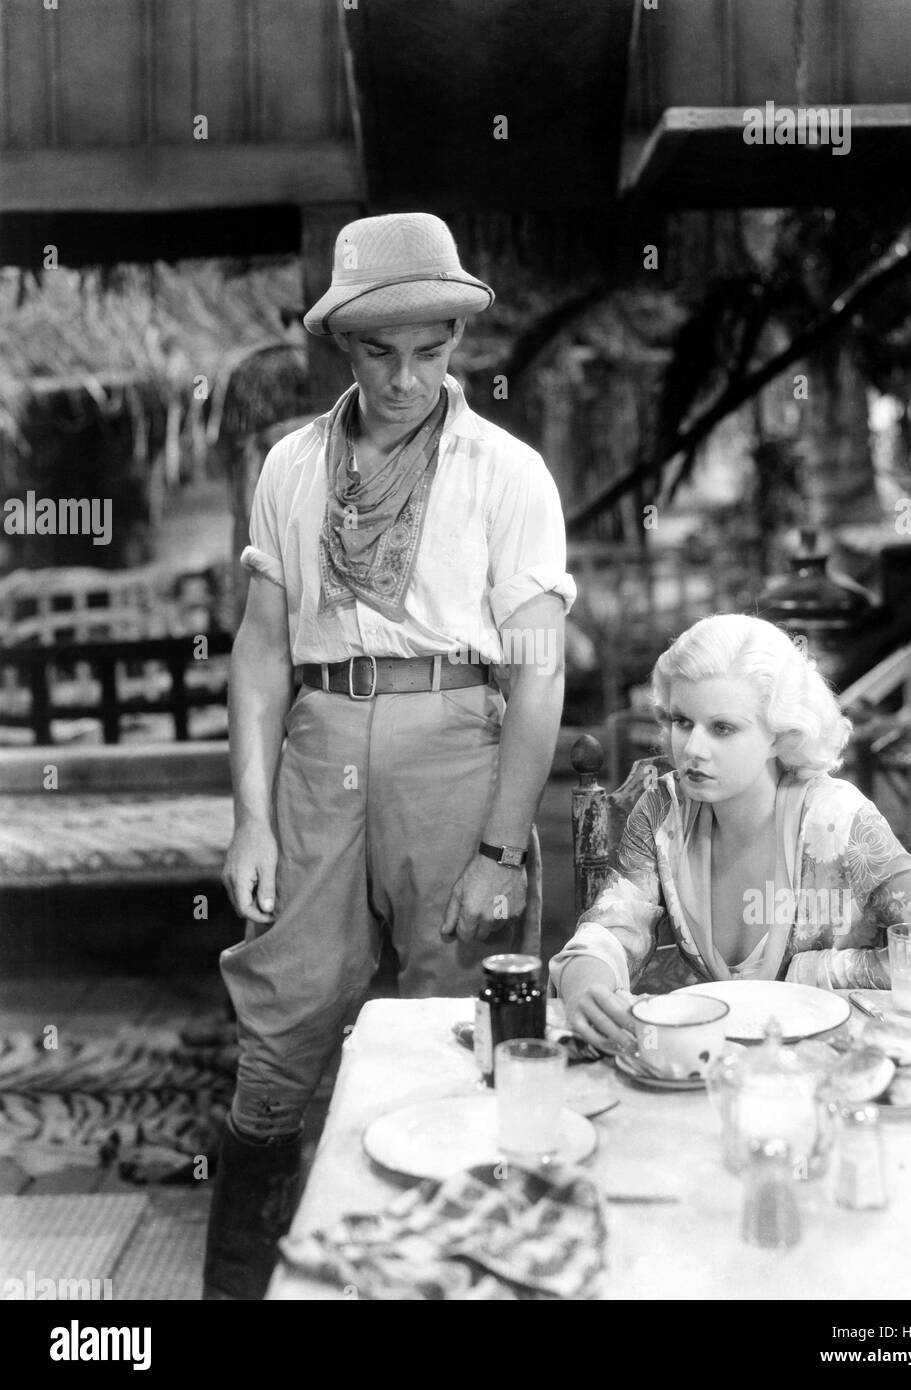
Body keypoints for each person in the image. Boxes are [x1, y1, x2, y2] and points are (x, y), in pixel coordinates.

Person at [204, 213, 574, 1299]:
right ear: (342, 348)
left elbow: (539, 670)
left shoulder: (506, 473)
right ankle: (238, 1290)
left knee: (459, 1017)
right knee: (286, 1011)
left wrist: (503, 847)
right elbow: (263, 650)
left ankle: (465, 1278)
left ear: (457, 339)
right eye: (379, 352)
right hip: (321, 742)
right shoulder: (292, 466)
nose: (406, 378)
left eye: (430, 350)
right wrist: (254, 815)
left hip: (458, 740)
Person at [551, 614, 911, 1053]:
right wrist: (582, 981)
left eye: (723, 728)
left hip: (827, 1073)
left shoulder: (837, 820)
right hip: (712, 1072)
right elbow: (613, 927)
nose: (692, 749)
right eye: (682, 721)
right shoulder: (663, 809)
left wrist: (819, 972)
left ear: (780, 735)